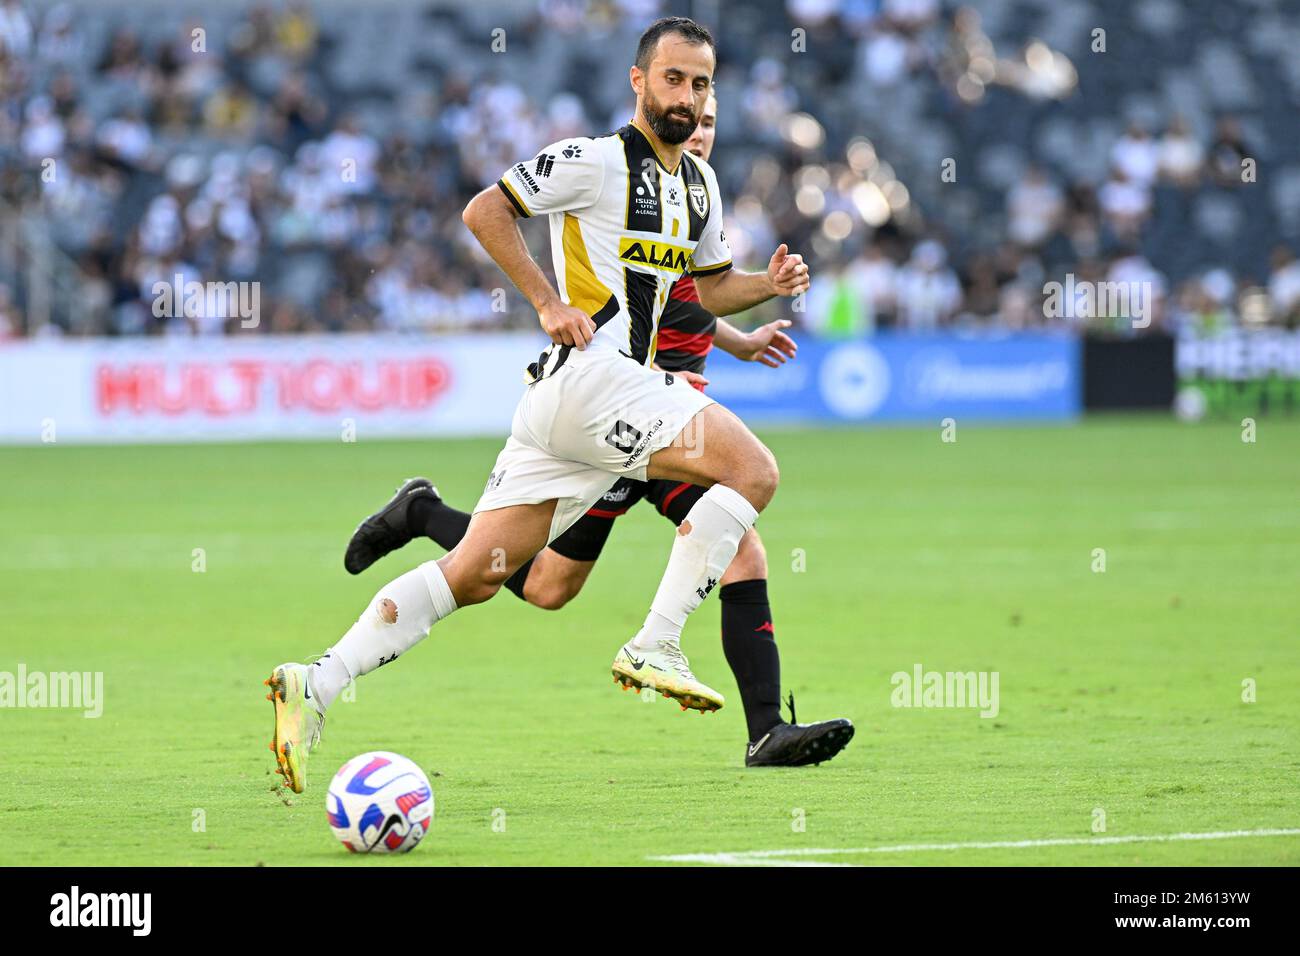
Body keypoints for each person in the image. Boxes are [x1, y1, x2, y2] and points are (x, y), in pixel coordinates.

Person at [266, 17, 812, 793]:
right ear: (638, 80)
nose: (688, 98)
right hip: (595, 378)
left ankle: (312, 683)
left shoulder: (699, 184)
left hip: (575, 408)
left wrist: (767, 285)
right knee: (753, 473)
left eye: (701, 84)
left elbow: (707, 284)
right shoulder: (594, 160)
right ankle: (656, 643)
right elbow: (486, 209)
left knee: (481, 574)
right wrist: (547, 300)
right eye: (674, 80)